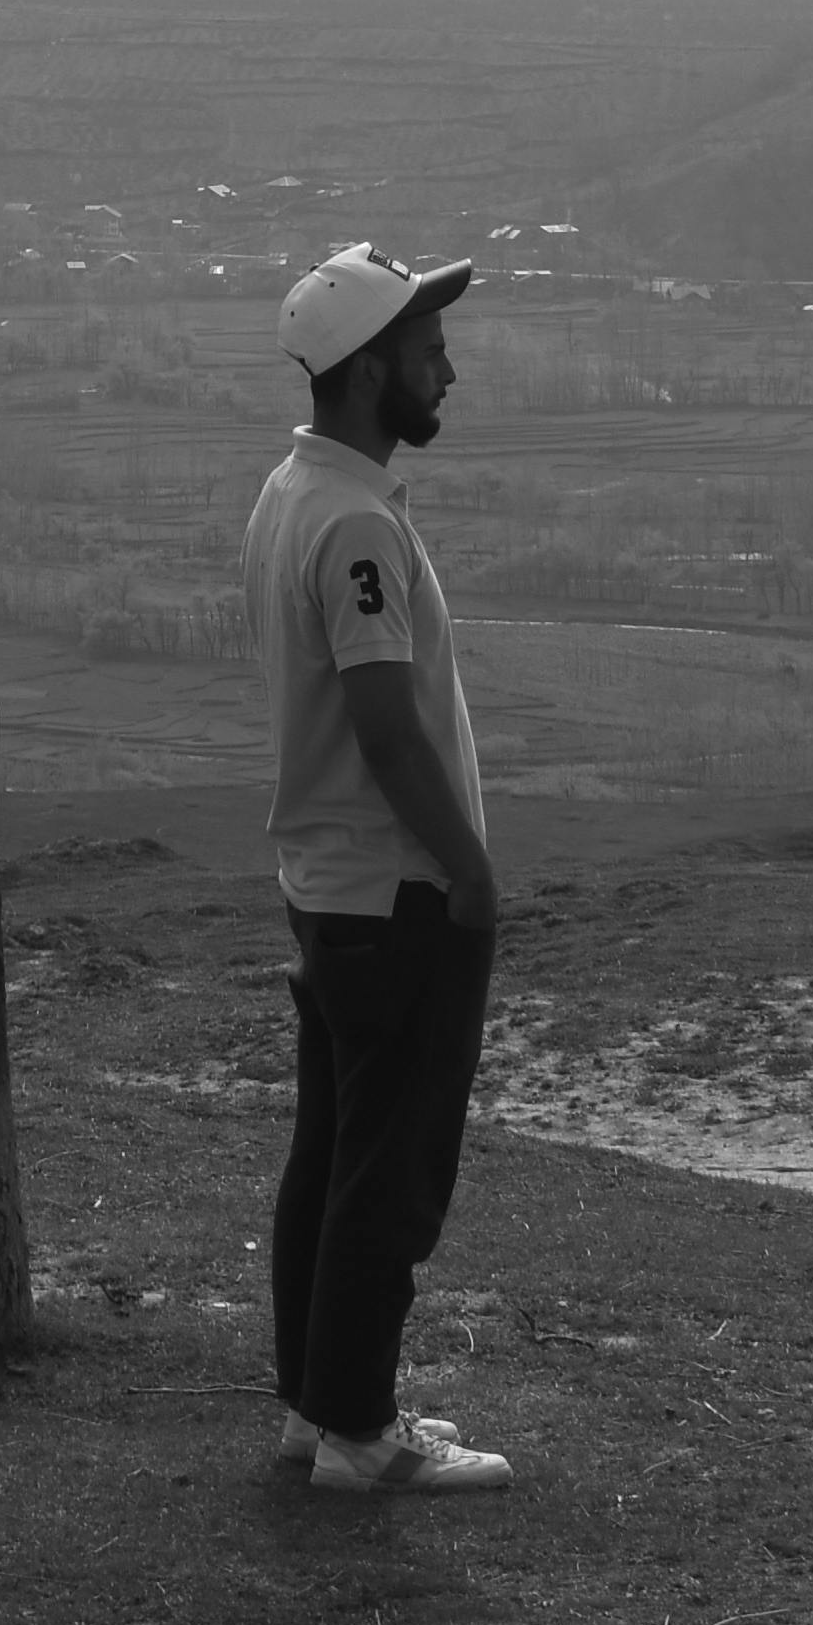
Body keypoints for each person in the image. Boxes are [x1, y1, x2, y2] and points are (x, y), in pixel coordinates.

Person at [243, 242, 513, 1502]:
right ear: (366, 374)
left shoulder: (297, 490)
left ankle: (318, 1405)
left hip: (328, 881)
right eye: (425, 349)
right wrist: (467, 871)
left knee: (333, 1152)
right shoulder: (353, 522)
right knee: (389, 1171)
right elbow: (388, 730)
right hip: (391, 886)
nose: (445, 367)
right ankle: (361, 1432)